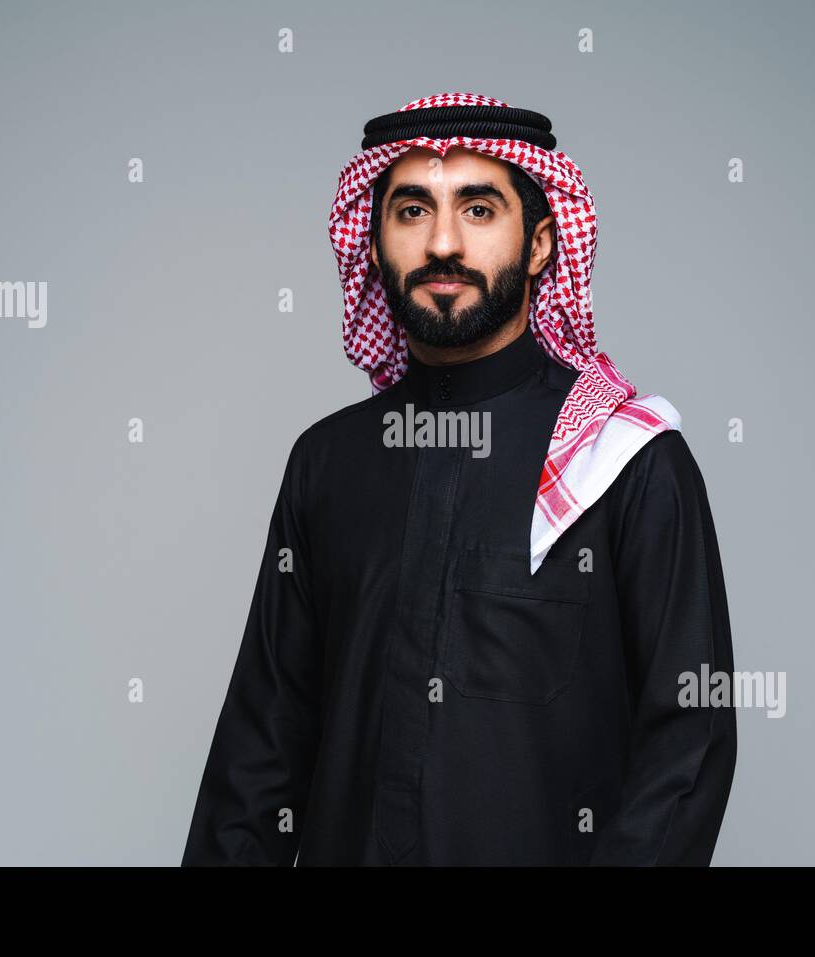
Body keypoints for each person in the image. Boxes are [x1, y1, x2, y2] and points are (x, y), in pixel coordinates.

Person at [182, 92, 737, 866]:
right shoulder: (326, 464)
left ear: (541, 242)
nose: (443, 243)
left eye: (478, 209)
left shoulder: (626, 464)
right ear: (375, 241)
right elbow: (260, 750)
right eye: (412, 211)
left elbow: (689, 744)